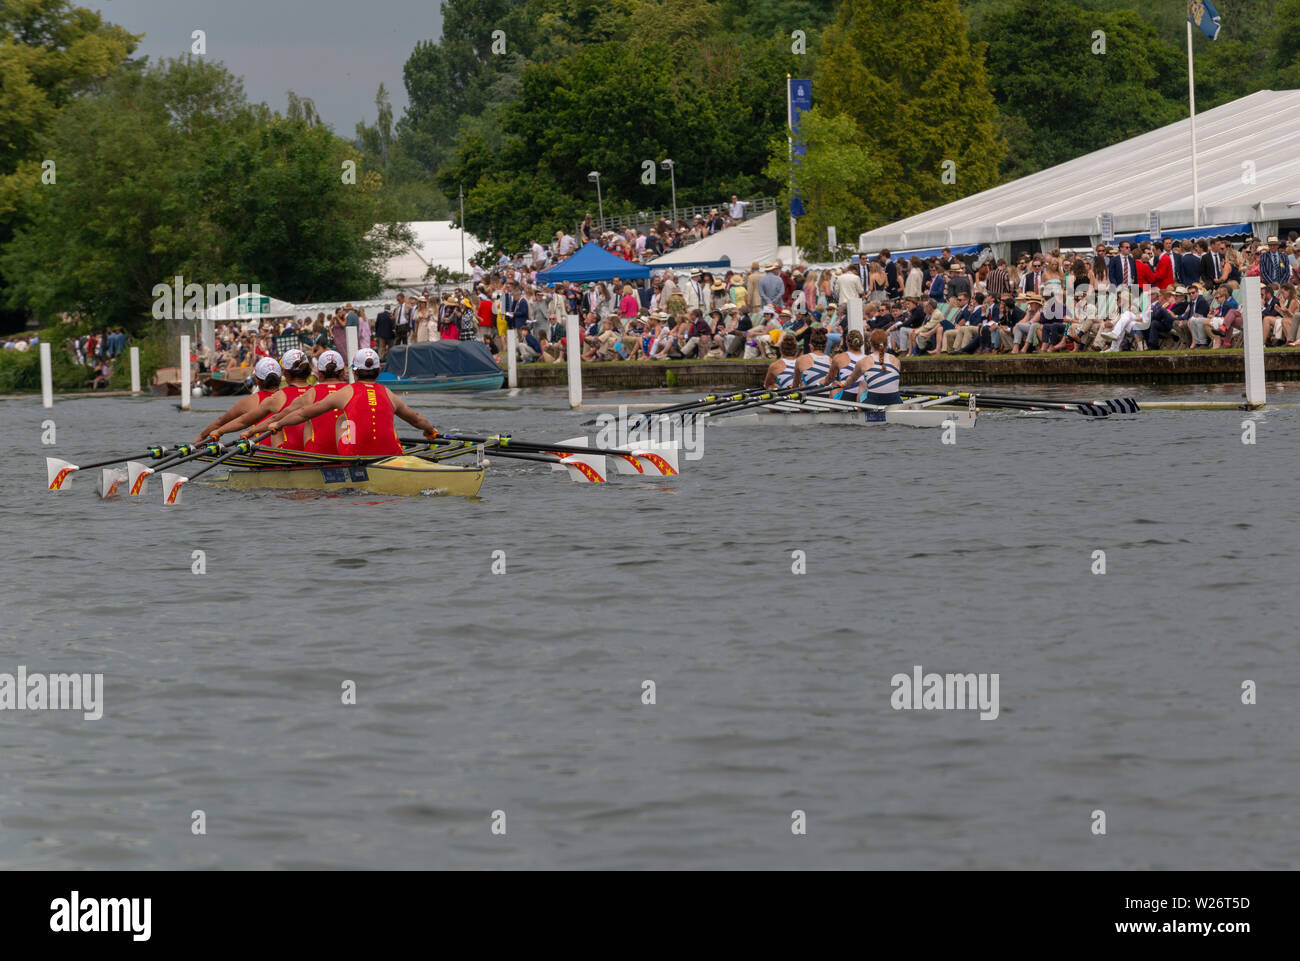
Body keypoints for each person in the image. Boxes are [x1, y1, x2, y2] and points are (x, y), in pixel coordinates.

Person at [259, 348, 438, 456]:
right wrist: (430, 431)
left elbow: (303, 413)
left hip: (356, 456)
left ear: (354, 372)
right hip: (392, 454)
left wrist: (279, 424)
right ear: (378, 371)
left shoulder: (346, 392)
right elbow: (415, 418)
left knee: (343, 421)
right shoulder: (390, 394)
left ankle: (345, 458)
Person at [205, 349, 314, 448]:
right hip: (313, 453)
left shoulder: (278, 397)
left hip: (281, 455)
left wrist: (218, 432)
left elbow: (243, 422)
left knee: (273, 428)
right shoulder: (316, 392)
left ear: (285, 373)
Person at [194, 357, 283, 442]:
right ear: (280, 378)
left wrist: (201, 437)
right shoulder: (289, 397)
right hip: (288, 449)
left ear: (257, 380)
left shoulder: (249, 401)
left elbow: (220, 422)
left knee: (249, 437)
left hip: (261, 452)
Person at [844, 329, 902, 406]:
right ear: (886, 344)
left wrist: (844, 384)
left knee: (862, 383)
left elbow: (852, 379)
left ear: (870, 344)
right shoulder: (896, 360)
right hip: (895, 402)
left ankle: (860, 413)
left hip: (872, 403)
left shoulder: (863, 362)